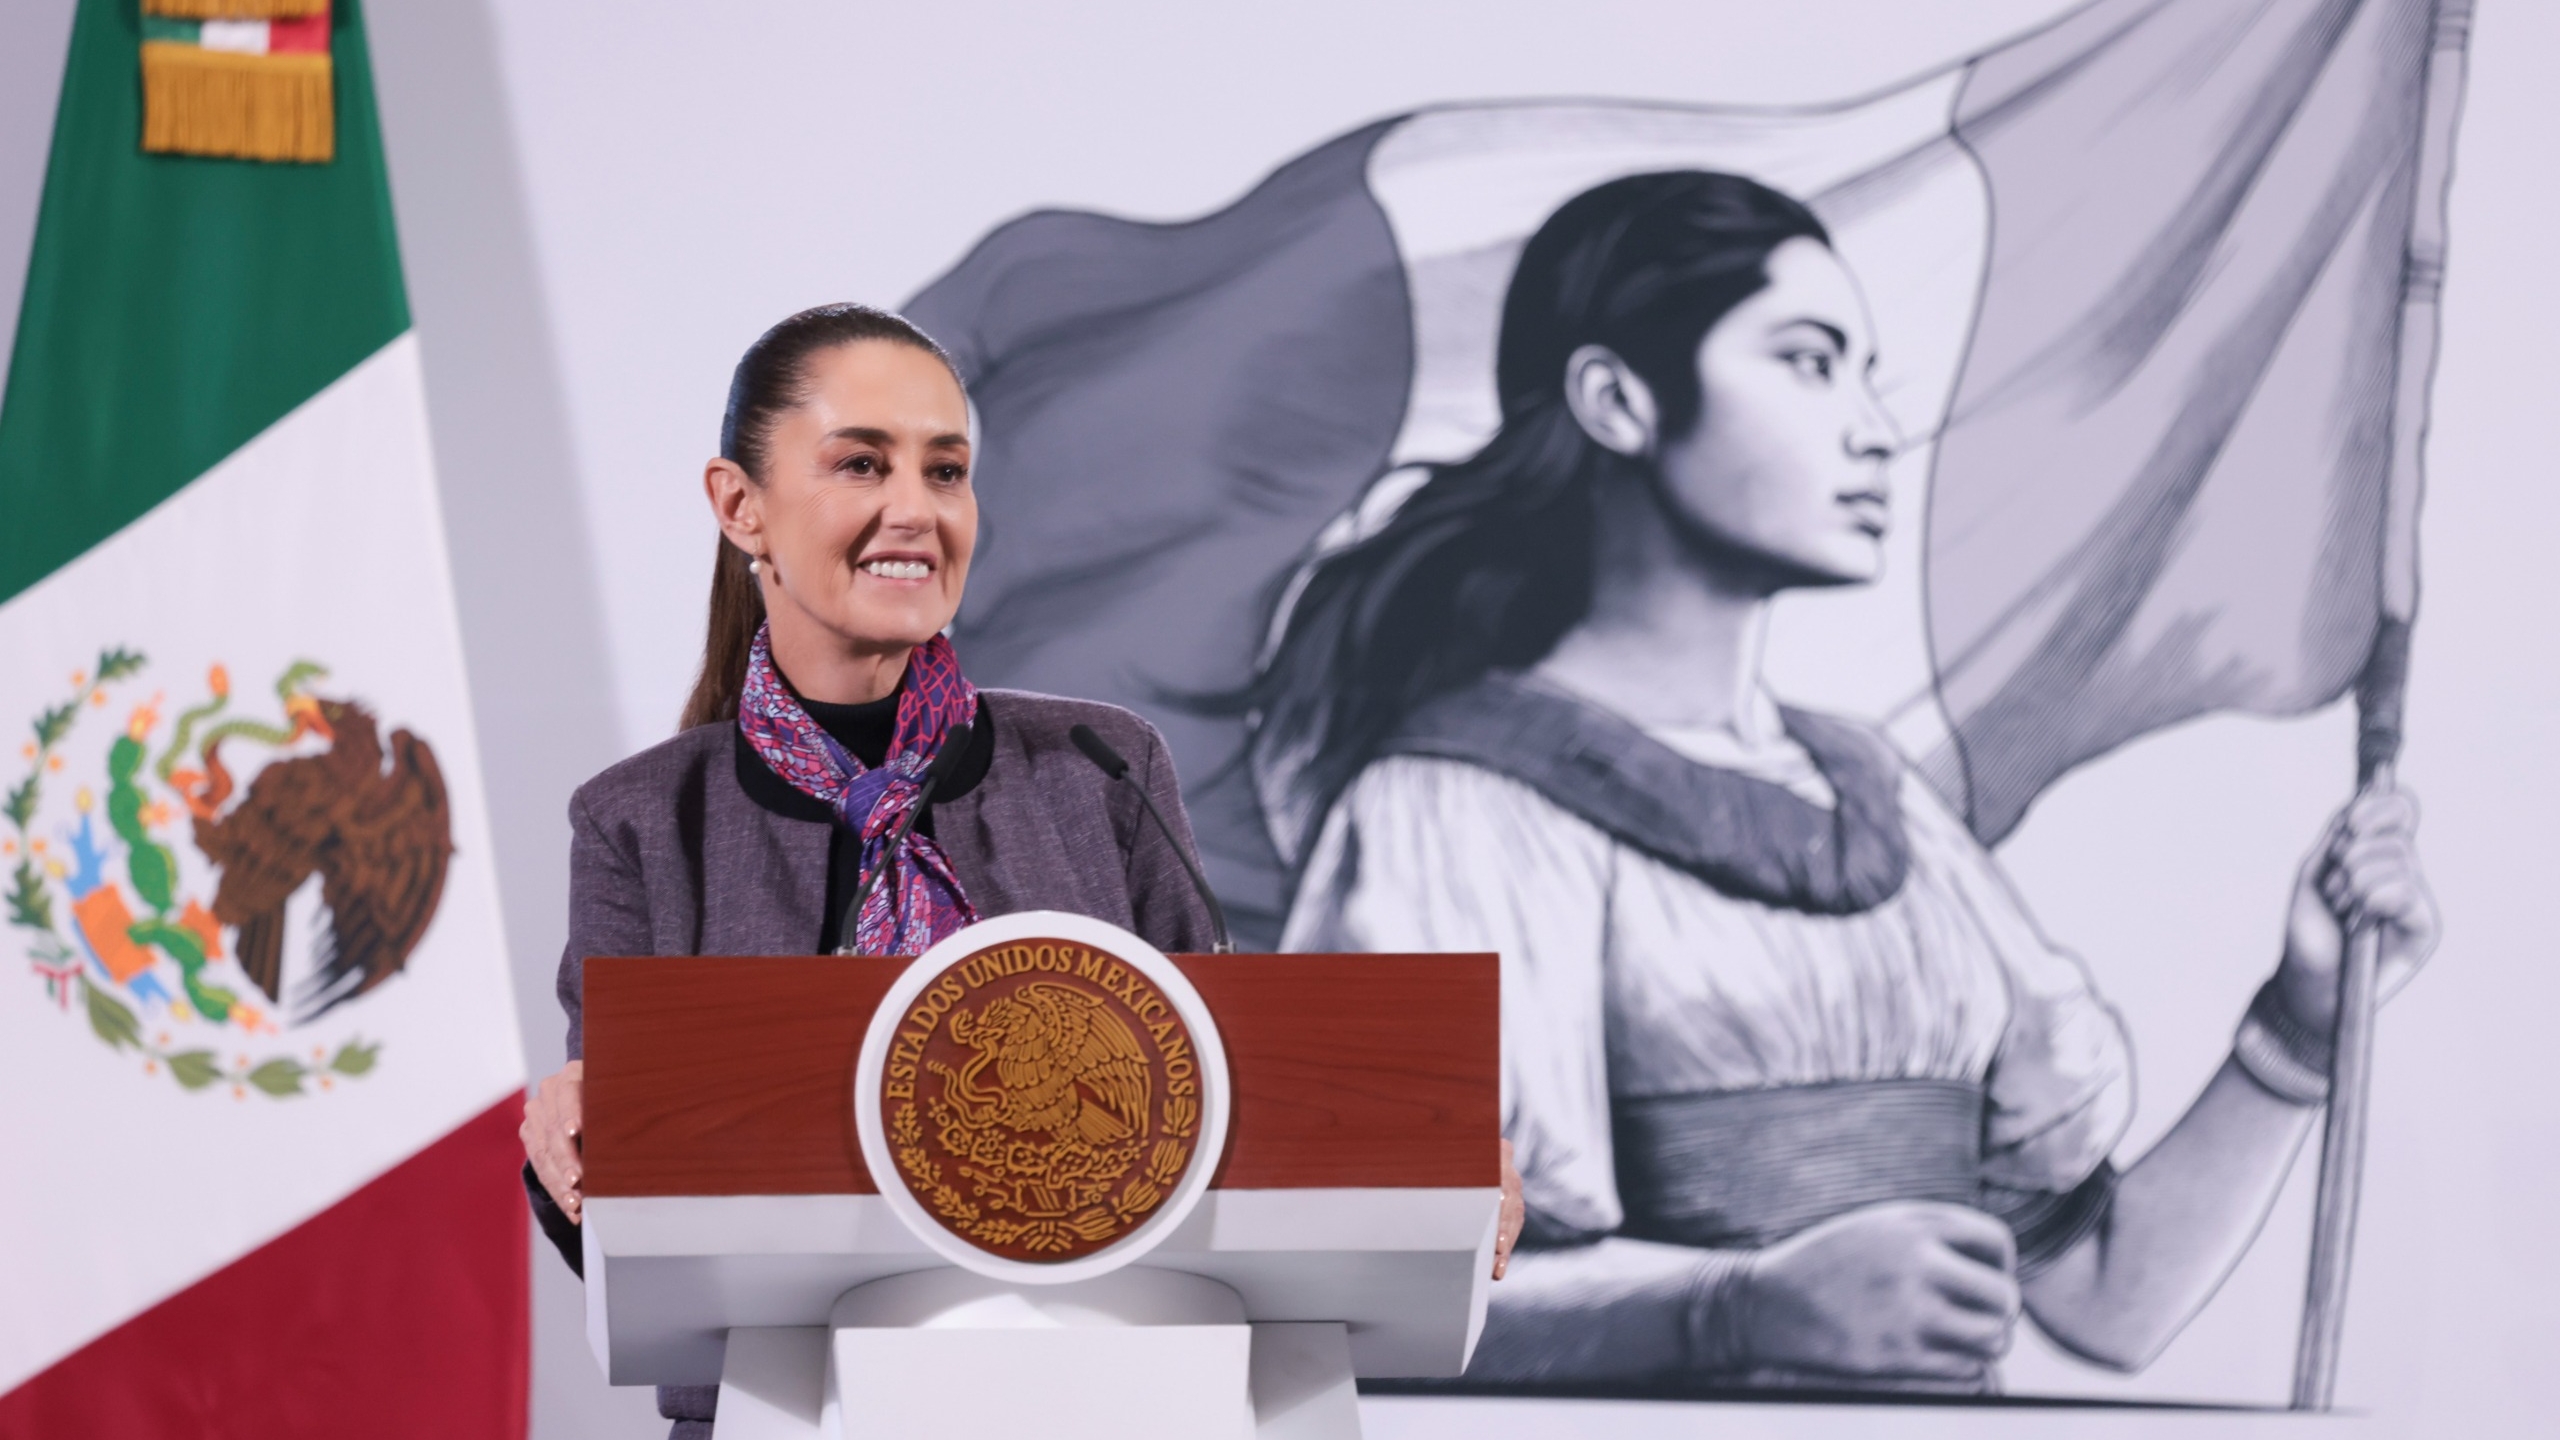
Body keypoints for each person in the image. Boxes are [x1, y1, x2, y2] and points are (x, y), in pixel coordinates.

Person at [1248, 173, 2439, 1392]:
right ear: (1616, 400)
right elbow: (1330, 1303)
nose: (1873, 427)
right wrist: (1733, 1308)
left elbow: (2105, 1300)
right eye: (1810, 363)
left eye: (1866, 372)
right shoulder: (1429, 811)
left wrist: (2297, 1021)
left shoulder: (1889, 810)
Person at [516, 304, 1529, 1439]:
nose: (916, 509)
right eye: (862, 463)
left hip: (1130, 1400)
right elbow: (627, 1208)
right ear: (739, 505)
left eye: (946, 471)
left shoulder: (1102, 770)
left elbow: (1228, 1100)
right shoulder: (644, 822)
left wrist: (1429, 1167)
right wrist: (571, 1143)